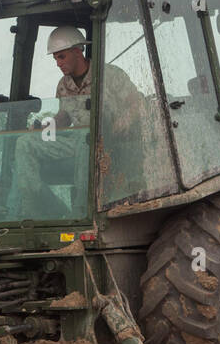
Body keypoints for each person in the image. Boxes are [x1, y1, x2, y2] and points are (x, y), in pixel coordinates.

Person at [8, 27, 147, 216]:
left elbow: (136, 103)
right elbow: (64, 117)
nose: (58, 63)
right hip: (79, 141)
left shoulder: (110, 75)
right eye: (55, 58)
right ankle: (44, 208)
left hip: (111, 144)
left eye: (61, 57)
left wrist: (122, 123)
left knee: (86, 138)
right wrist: (47, 126)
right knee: (24, 143)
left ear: (77, 51)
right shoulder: (63, 85)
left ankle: (82, 211)